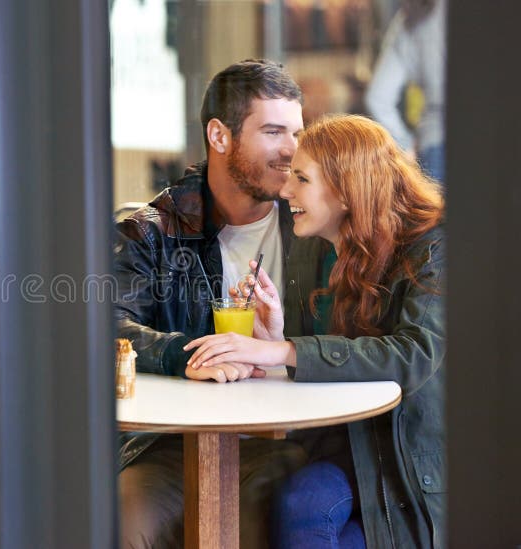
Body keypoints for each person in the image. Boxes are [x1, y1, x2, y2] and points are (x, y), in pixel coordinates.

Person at [185, 114, 446, 548]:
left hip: (408, 461)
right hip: (346, 447)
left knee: (305, 510)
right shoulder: (312, 250)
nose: (285, 191)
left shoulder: (433, 249)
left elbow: (411, 354)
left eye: (301, 179)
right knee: (300, 505)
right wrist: (275, 337)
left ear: (346, 191)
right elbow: (311, 357)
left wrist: (284, 351)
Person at [114, 59, 311, 548]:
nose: (290, 150)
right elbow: (106, 328)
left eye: (297, 133)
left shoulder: (316, 223)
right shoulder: (152, 231)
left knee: (269, 505)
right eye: (272, 131)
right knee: (126, 511)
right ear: (219, 136)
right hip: (174, 447)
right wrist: (191, 356)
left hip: (294, 440)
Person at [365, 0, 446, 181]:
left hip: (433, 145)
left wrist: (405, 146)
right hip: (492, 137)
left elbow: (377, 98)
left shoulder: (410, 19)